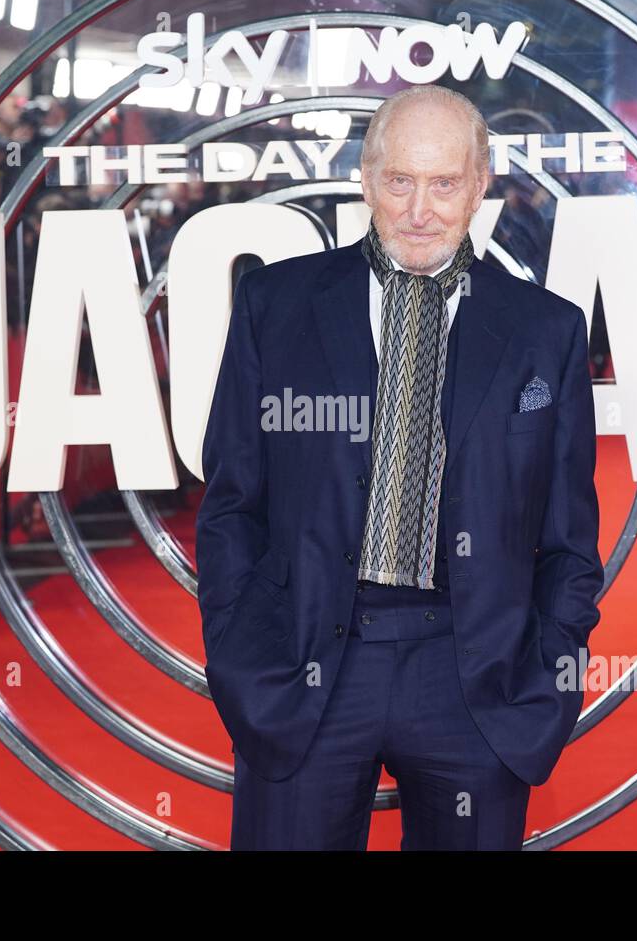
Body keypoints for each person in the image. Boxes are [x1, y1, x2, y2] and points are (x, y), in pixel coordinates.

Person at [195, 85, 604, 850]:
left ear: (481, 183)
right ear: (367, 178)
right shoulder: (273, 306)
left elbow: (570, 542)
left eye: (445, 183)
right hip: (308, 668)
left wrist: (544, 676)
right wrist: (245, 659)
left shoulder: (546, 331)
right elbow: (230, 506)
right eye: (400, 181)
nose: (420, 208)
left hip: (475, 677)